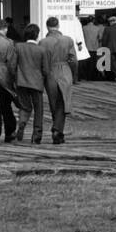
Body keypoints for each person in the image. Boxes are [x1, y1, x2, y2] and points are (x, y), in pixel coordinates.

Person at [42, 17, 79, 145]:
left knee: (54, 103)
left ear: (47, 27)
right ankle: (57, 130)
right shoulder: (68, 40)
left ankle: (57, 130)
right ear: (58, 26)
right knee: (62, 102)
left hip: (50, 73)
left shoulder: (43, 42)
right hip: (64, 71)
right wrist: (73, 75)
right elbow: (74, 60)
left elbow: (41, 62)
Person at [13, 23, 47, 143]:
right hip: (37, 83)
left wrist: (15, 79)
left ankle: (22, 123)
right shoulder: (41, 50)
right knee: (39, 109)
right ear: (37, 35)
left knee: (25, 106)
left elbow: (12, 66)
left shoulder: (18, 47)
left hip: (21, 82)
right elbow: (45, 69)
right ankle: (36, 134)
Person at [82, 15, 103, 81]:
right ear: (93, 20)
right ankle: (92, 77)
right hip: (94, 48)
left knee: (86, 63)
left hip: (86, 48)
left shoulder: (83, 28)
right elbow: (100, 38)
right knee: (93, 63)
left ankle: (86, 76)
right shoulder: (97, 28)